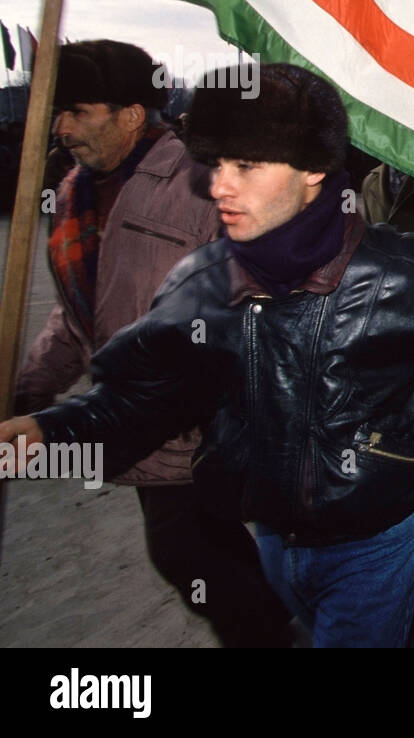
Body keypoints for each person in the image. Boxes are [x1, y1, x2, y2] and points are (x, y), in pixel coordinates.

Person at [2, 63, 414, 648]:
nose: (219, 186)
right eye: (217, 164)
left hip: (377, 531)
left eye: (246, 166)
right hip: (273, 534)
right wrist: (45, 433)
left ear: (313, 169)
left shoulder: (406, 274)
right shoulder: (199, 285)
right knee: (346, 620)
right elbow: (138, 401)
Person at [13, 39, 292, 648]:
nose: (61, 128)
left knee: (233, 557)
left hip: (210, 422)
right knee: (221, 562)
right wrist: (26, 391)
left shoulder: (202, 182)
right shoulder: (70, 195)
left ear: (131, 114)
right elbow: (76, 315)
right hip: (137, 427)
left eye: (76, 111)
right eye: (57, 113)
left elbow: (267, 292)